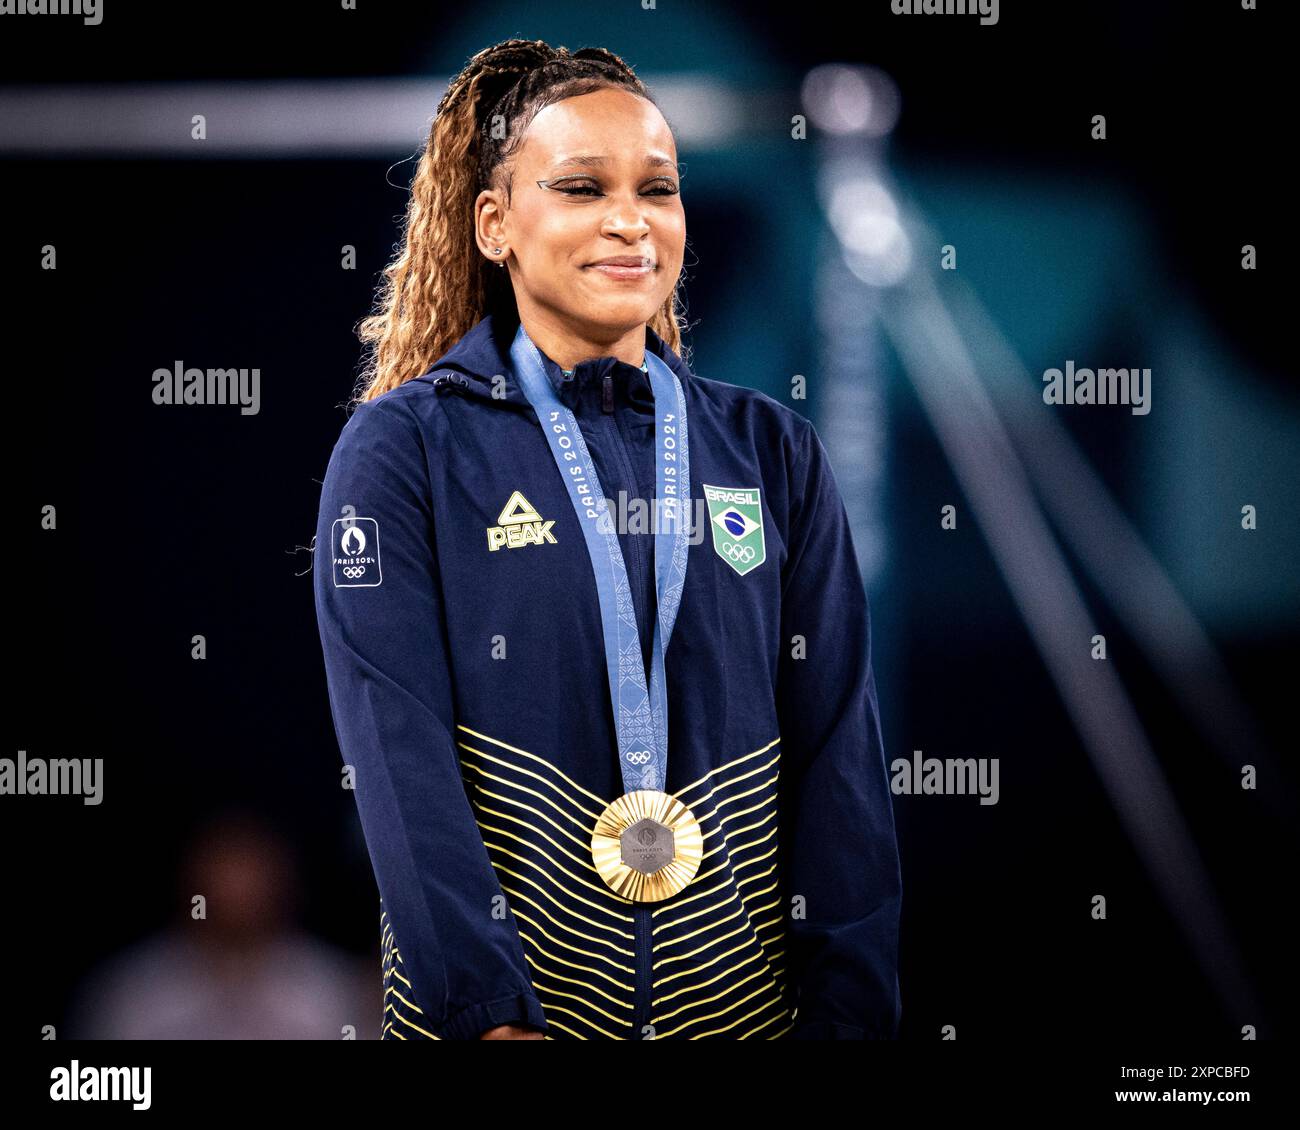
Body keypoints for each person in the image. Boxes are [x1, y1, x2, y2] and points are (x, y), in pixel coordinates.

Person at [312, 37, 901, 1041]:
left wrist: (851, 1009)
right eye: (582, 187)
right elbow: (395, 747)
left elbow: (839, 748)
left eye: (657, 188)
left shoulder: (768, 450)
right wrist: (483, 1011)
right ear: (494, 222)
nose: (630, 219)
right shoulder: (405, 448)